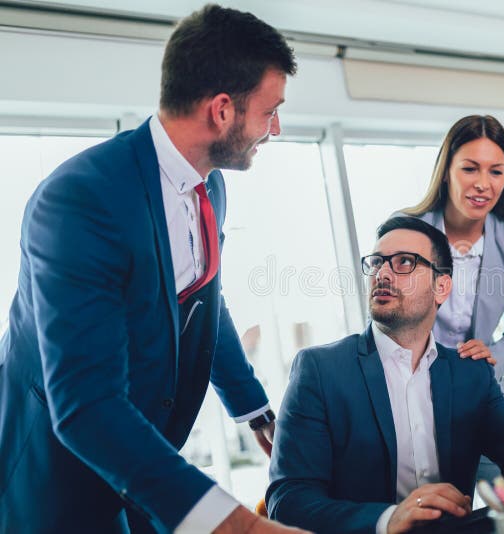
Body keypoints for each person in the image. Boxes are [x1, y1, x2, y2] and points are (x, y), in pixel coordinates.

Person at [0, 5, 307, 533]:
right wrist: (239, 525)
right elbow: (85, 406)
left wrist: (253, 408)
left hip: (146, 464)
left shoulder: (210, 185)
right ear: (221, 110)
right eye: (270, 110)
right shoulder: (79, 199)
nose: (275, 128)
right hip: (57, 480)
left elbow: (205, 298)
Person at [266, 216, 504, 534]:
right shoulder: (320, 370)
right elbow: (287, 501)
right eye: (377, 262)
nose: (383, 273)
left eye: (404, 262)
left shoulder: (471, 373)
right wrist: (387, 520)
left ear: (441, 287)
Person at [399, 115, 504, 482]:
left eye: (496, 172)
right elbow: (385, 323)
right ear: (446, 170)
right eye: (470, 168)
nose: (483, 184)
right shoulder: (405, 229)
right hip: (411, 395)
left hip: (479, 392)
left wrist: (490, 361)